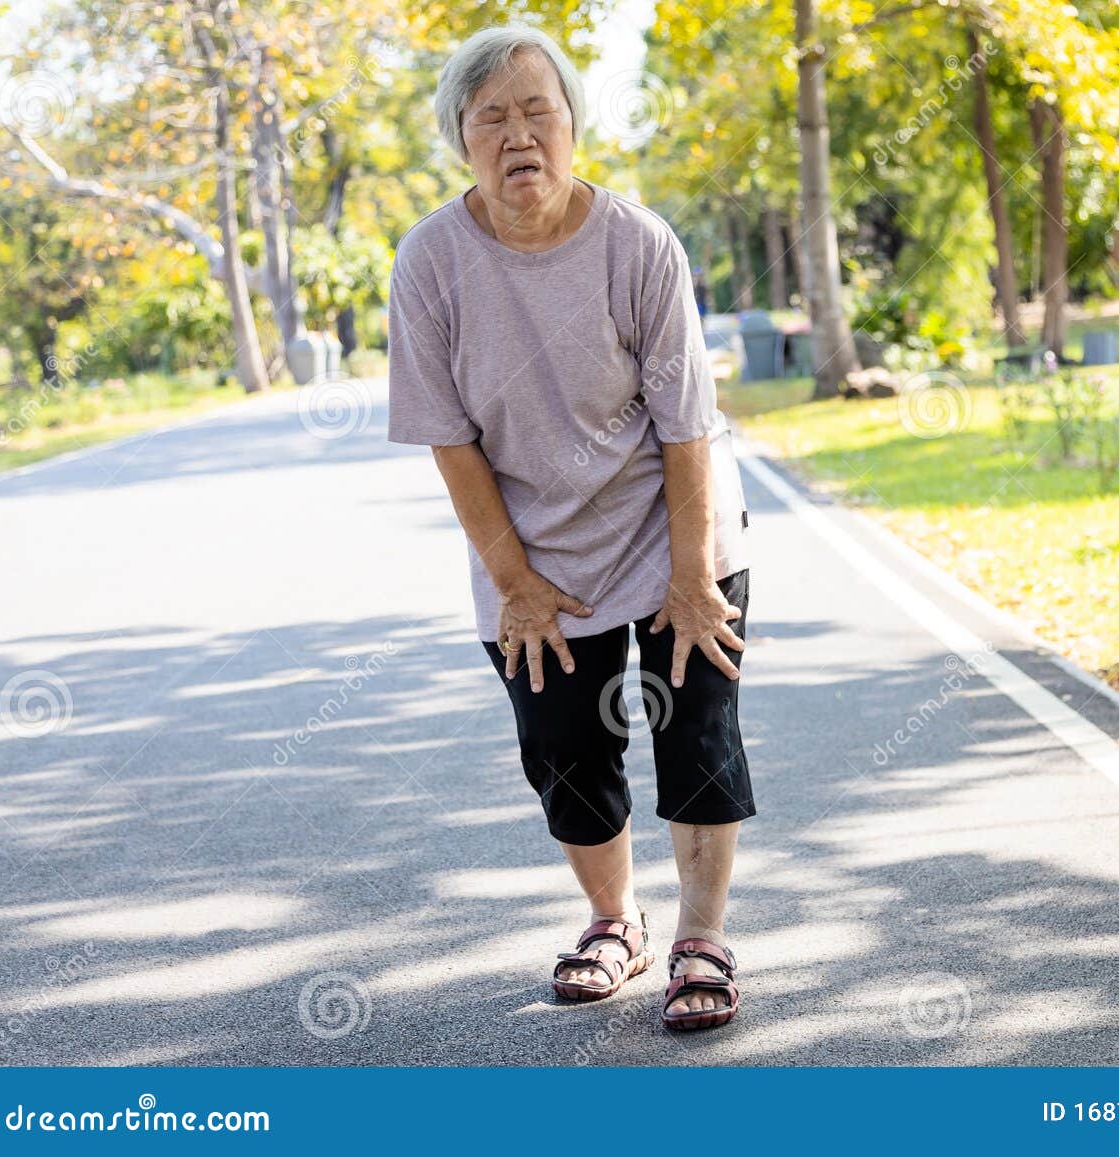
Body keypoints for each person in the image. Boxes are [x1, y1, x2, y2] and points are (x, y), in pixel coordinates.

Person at [387, 25, 752, 1032]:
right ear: (460, 138)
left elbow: (686, 424)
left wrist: (690, 575)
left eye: (537, 111)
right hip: (533, 549)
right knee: (561, 742)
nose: (518, 136)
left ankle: (701, 937)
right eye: (491, 117)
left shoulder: (637, 243)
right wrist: (513, 577)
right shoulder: (430, 261)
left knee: (699, 734)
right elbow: (448, 437)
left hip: (671, 520)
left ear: (573, 129)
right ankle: (614, 921)